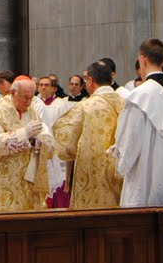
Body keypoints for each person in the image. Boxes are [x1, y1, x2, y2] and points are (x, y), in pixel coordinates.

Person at [113, 44, 163, 207]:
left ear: (142, 59)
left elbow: (129, 142)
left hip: (145, 185)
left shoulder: (139, 96)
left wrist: (120, 165)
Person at [52, 57, 126, 209]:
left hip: (93, 175)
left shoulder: (86, 106)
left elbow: (64, 141)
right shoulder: (126, 103)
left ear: (90, 80)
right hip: (121, 172)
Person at [0, 77, 48, 212]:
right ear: (13, 93)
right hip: (2, 180)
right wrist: (24, 134)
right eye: (25, 98)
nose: (29, 102)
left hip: (28, 181)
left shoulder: (32, 111)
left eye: (31, 98)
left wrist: (40, 140)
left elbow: (45, 137)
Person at [37, 74, 75, 207]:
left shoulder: (60, 104)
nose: (43, 87)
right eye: (41, 85)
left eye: (46, 85)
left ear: (53, 89)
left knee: (57, 179)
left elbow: (65, 127)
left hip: (56, 148)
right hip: (40, 147)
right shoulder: (34, 104)